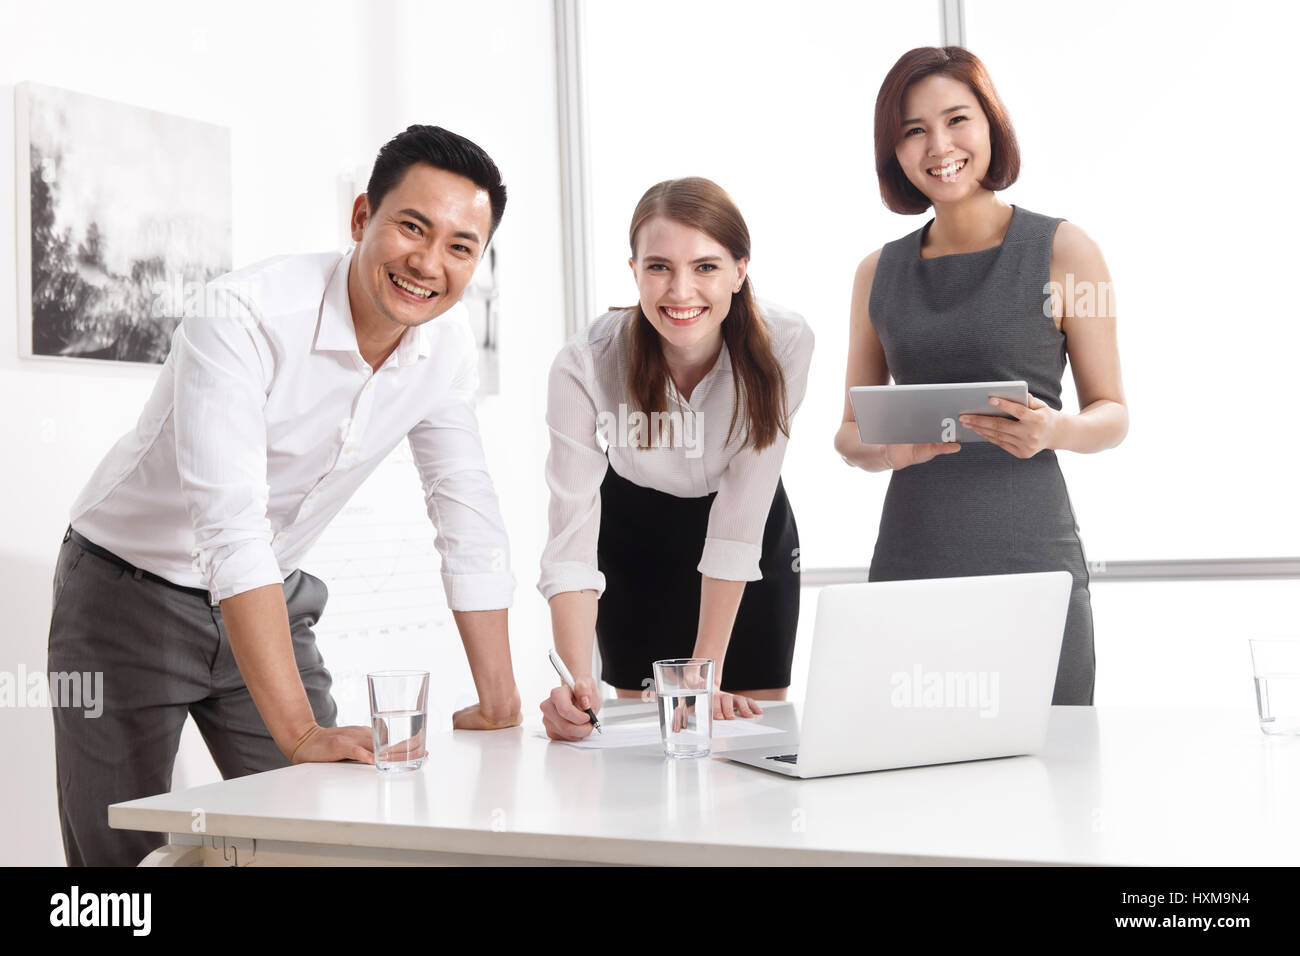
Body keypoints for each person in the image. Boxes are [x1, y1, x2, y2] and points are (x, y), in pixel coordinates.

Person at [48, 125, 524, 866]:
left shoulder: (448, 348)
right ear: (363, 217)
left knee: (326, 831)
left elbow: (466, 514)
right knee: (120, 863)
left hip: (271, 594)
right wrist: (298, 734)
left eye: (461, 247)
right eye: (412, 227)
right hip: (126, 598)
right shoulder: (241, 316)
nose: (429, 264)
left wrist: (500, 702)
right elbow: (230, 528)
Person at [834, 47, 1129, 706]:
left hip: (1031, 559)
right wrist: (889, 450)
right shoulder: (873, 273)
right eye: (913, 130)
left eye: (956, 119)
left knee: (1051, 776)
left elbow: (1112, 413)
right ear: (896, 152)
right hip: (914, 557)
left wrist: (1054, 430)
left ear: (992, 125)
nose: (938, 145)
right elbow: (848, 435)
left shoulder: (1066, 250)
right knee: (915, 778)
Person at [538, 177, 815, 741]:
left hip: (749, 538)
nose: (681, 291)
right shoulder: (585, 363)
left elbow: (741, 518)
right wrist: (576, 682)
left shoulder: (786, 342)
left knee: (747, 745)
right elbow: (570, 535)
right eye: (659, 266)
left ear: (741, 270)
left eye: (706, 267)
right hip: (636, 540)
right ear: (634, 270)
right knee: (645, 742)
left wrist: (704, 670)